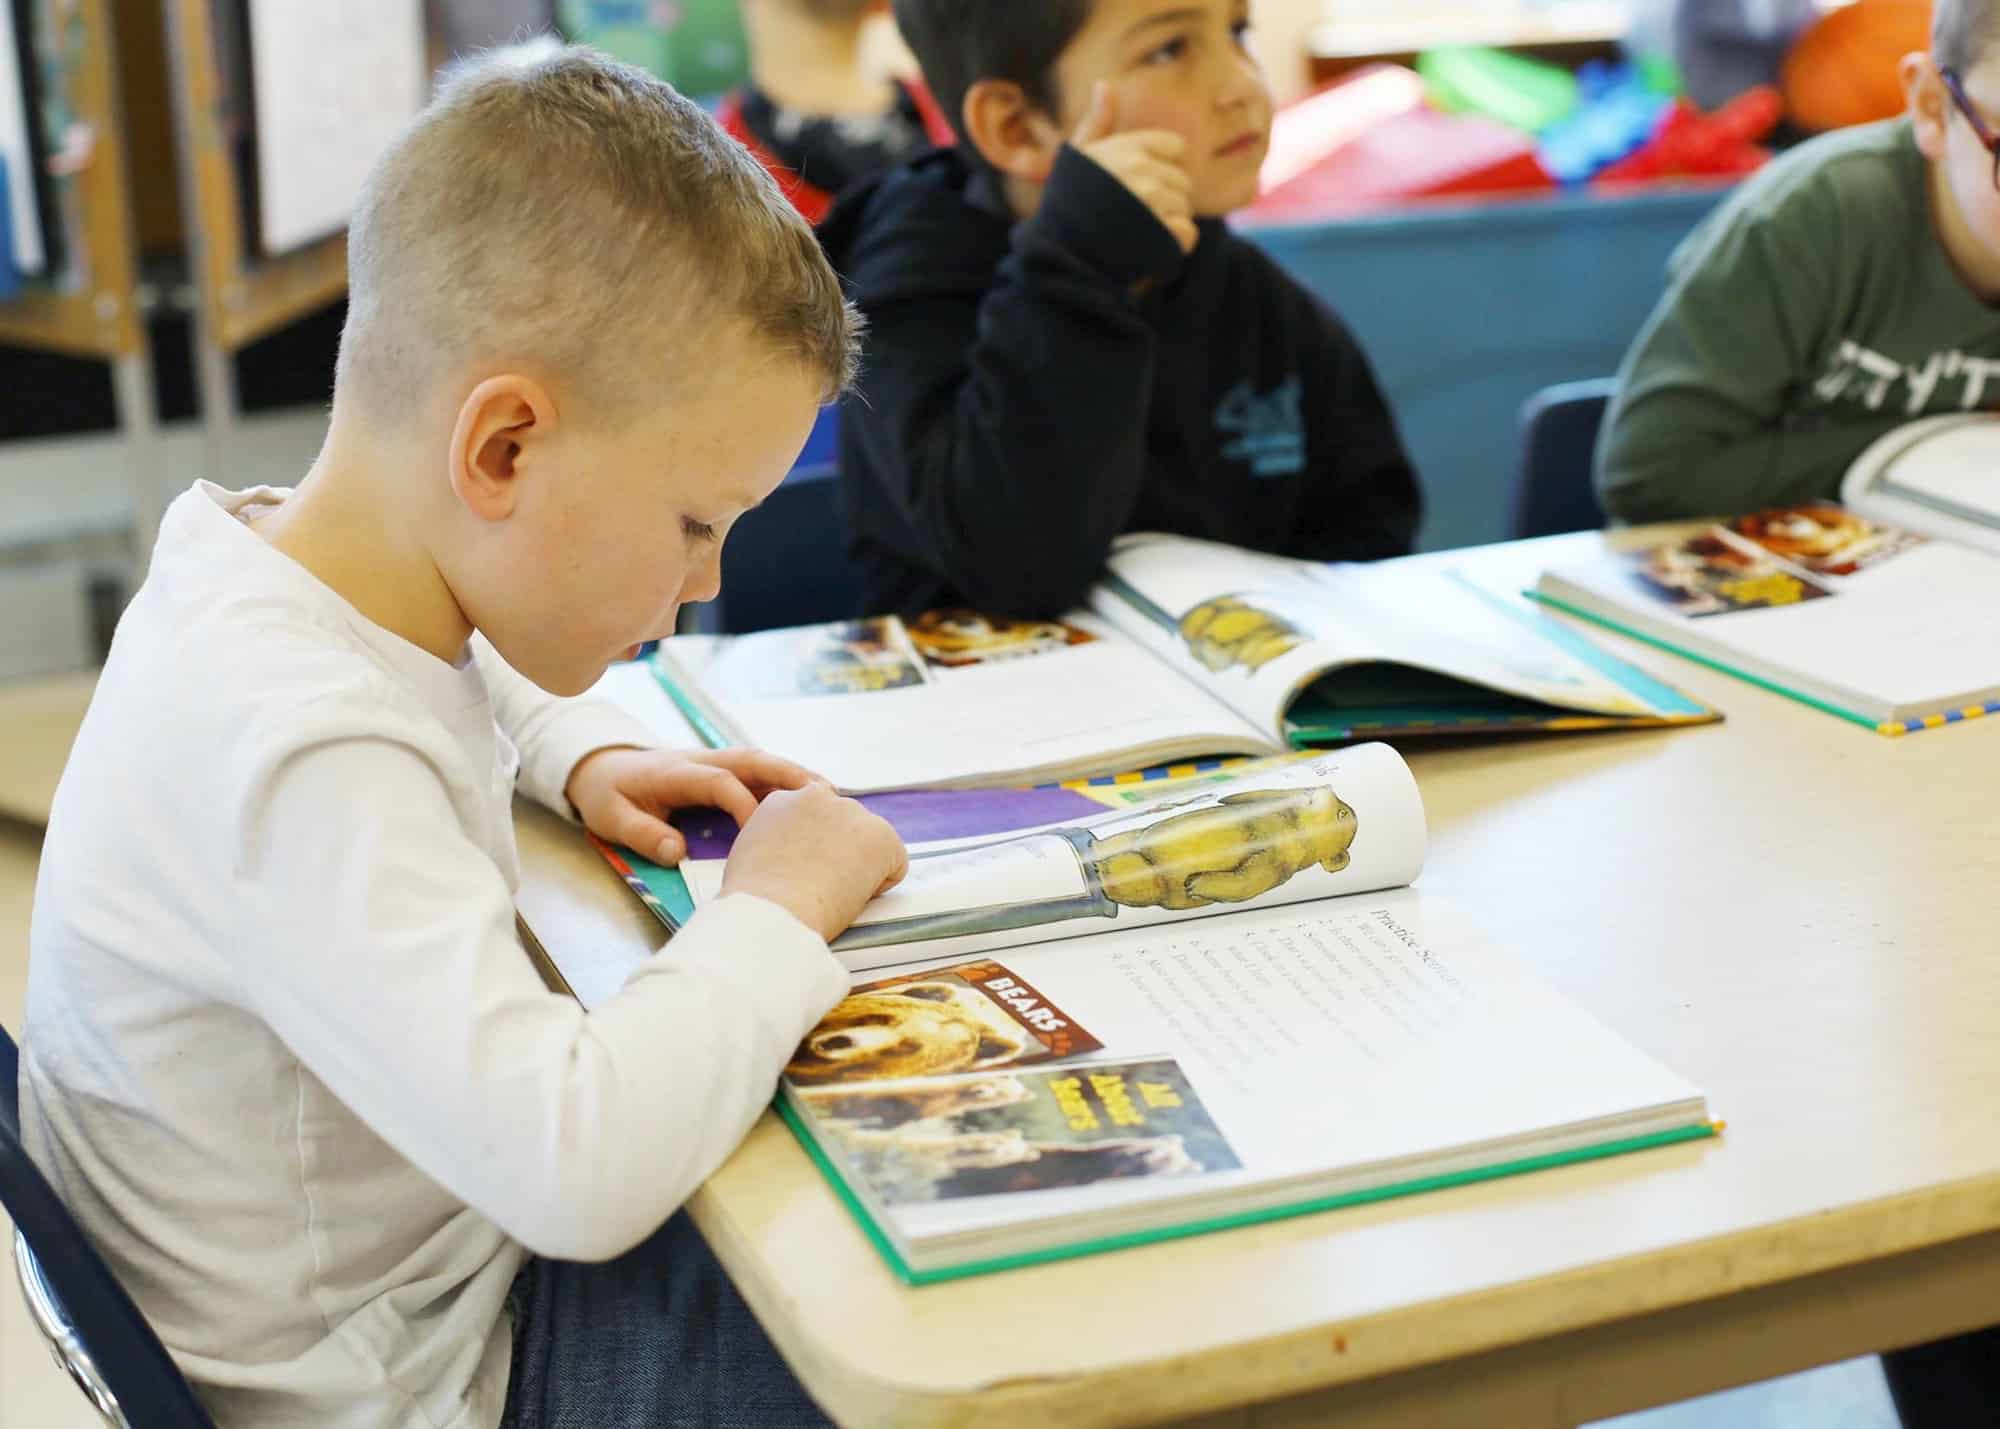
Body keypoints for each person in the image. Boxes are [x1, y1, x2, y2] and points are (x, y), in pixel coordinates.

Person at [19, 47, 907, 1427]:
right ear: (501, 447)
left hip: (424, 1293)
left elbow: (442, 664)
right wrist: (779, 910)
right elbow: (576, 1164)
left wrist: (578, 749)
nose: (707, 583)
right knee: (918, 1338)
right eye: (693, 523)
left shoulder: (275, 565)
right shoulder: (297, 748)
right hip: (440, 1384)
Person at [824, 0, 1422, 618]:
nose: (1243, 85)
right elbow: (1017, 570)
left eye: (1237, 31)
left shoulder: (1249, 287)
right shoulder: (904, 296)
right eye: (1169, 49)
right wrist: (1080, 268)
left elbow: (1370, 537)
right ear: (1019, 128)